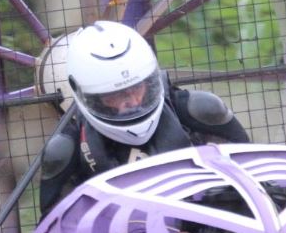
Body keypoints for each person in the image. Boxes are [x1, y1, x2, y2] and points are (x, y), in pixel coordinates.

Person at [39, 20, 252, 215]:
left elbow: (255, 178)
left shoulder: (199, 111)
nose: (131, 102)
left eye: (137, 88)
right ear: (84, 94)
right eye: (115, 95)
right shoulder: (65, 151)